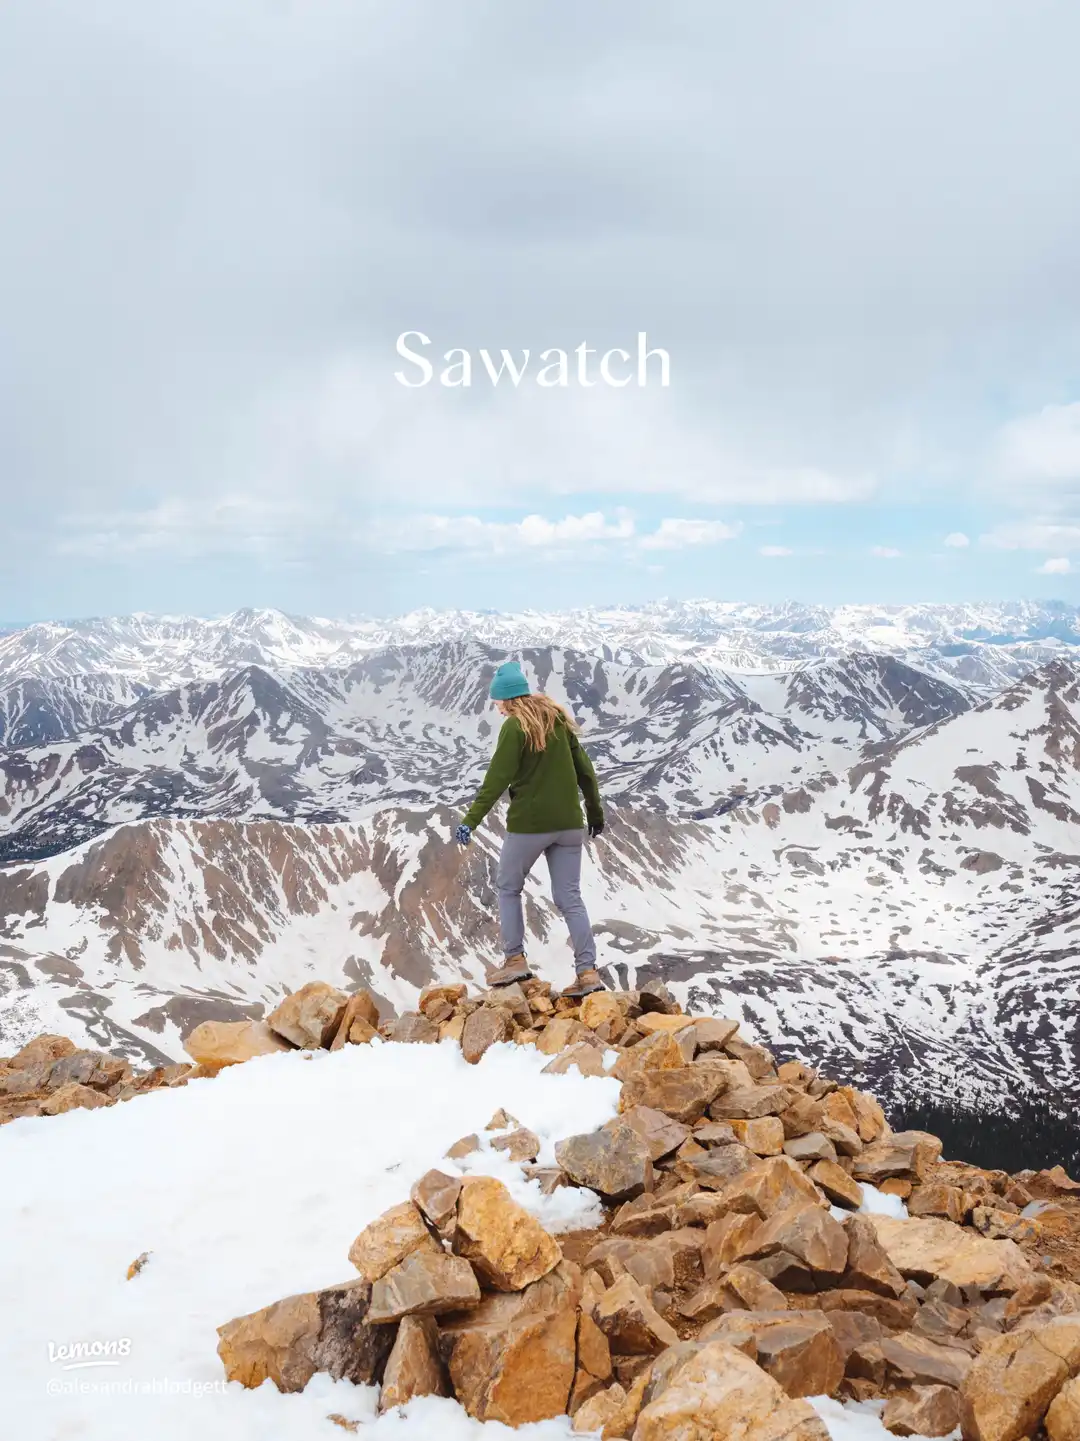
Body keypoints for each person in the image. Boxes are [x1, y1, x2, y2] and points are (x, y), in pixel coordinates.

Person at [455, 659, 606, 997]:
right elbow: (586, 772)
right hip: (570, 825)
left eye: (497, 700)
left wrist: (470, 821)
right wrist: (595, 814)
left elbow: (496, 780)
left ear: (508, 698)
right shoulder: (557, 720)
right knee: (570, 898)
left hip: (530, 825)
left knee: (508, 887)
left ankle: (515, 960)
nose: (497, 707)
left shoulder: (514, 728)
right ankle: (587, 972)